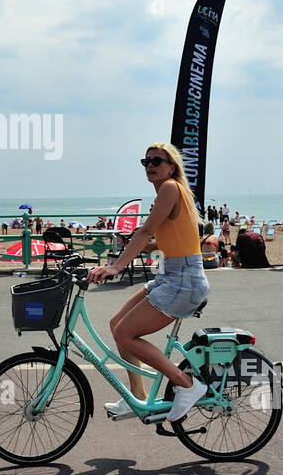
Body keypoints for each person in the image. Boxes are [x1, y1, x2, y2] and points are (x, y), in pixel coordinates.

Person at [87, 143, 209, 424]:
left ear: (171, 166)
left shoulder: (169, 187)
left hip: (184, 280)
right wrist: (140, 246)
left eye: (157, 160)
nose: (150, 164)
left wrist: (116, 266)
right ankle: (138, 395)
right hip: (172, 276)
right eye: (146, 161)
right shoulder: (167, 194)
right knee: (117, 325)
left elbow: (145, 230)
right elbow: (163, 240)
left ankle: (188, 385)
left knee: (125, 334)